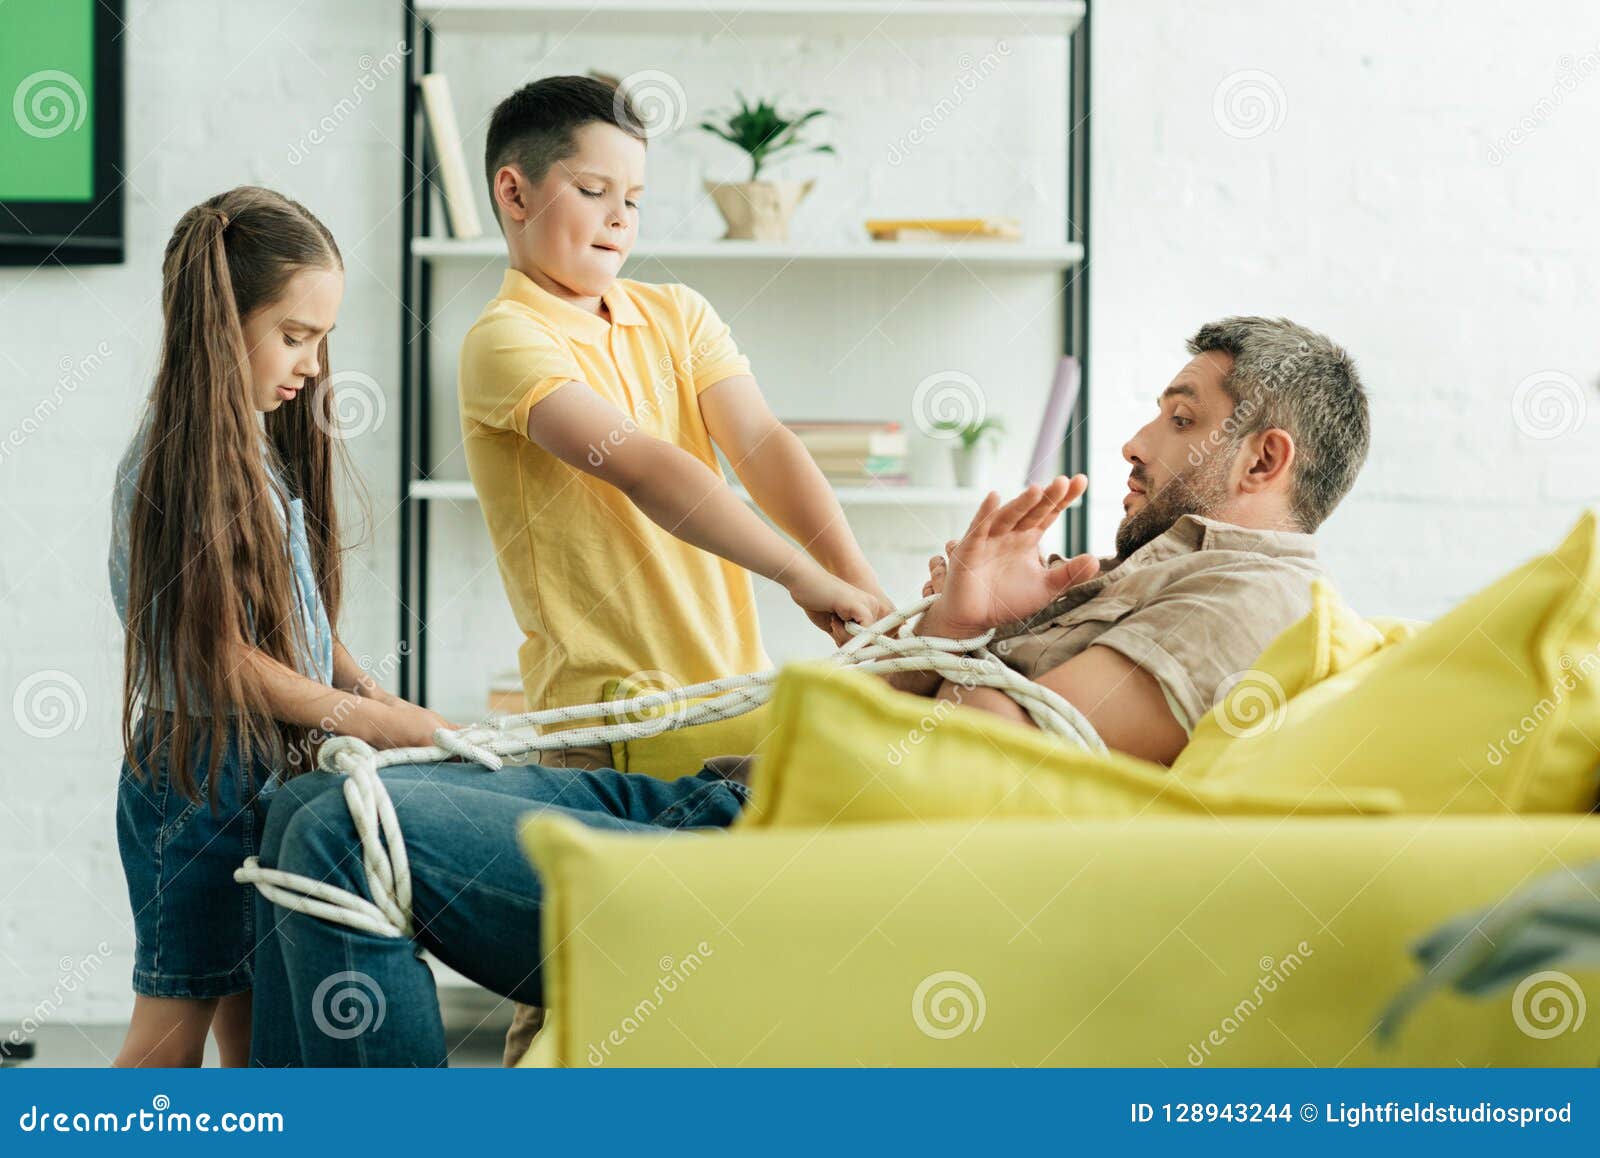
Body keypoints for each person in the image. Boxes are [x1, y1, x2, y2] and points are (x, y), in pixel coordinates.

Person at [248, 316, 1371, 1066]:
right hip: (738, 803)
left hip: (771, 876)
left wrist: (969, 629)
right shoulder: (1154, 569)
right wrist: (951, 623)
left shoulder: (1239, 606)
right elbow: (931, 712)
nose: (1136, 439)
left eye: (1181, 418)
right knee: (301, 805)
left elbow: (984, 775)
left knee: (347, 831)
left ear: (1264, 460)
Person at [459, 75, 892, 1060]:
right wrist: (800, 578)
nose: (620, 219)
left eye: (636, 199)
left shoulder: (676, 314)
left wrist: (857, 583)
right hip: (599, 729)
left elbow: (763, 444)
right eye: (593, 190)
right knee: (573, 1002)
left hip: (720, 718)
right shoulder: (505, 341)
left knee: (700, 1007)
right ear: (514, 193)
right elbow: (646, 468)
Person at [109, 187, 457, 1067]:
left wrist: (367, 689)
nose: (310, 363)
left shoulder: (251, 444)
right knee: (169, 1031)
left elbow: (288, 620)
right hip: (197, 777)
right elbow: (220, 657)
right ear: (222, 322)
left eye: (321, 340)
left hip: (258, 762)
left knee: (256, 1035)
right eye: (294, 336)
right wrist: (374, 724)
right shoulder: (178, 459)